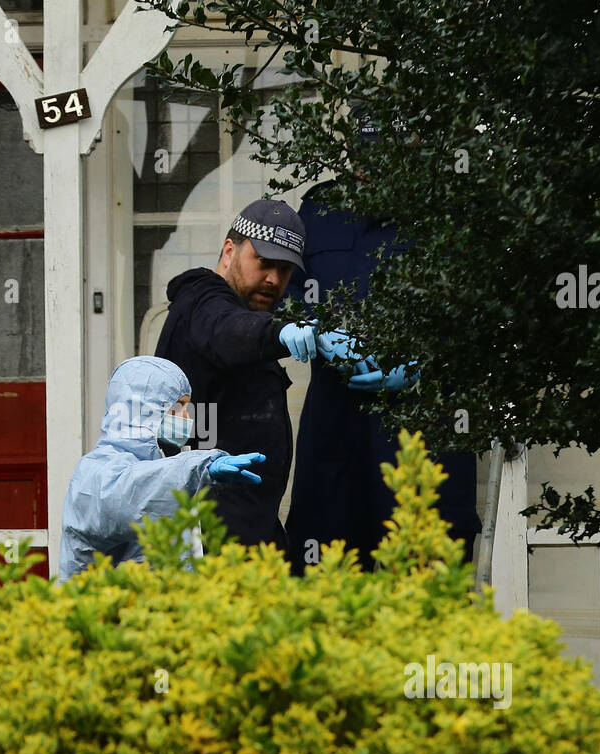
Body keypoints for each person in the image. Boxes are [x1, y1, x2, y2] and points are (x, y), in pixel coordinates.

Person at [284, 177, 482, 575]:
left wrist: (426, 366)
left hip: (424, 432)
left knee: (427, 576)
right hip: (335, 432)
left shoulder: (454, 205)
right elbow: (285, 287)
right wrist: (312, 328)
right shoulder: (320, 209)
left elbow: (489, 316)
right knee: (324, 576)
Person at [153, 199, 321, 555]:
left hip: (247, 530)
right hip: (207, 538)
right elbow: (228, 330)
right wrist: (280, 332)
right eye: (264, 262)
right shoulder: (203, 300)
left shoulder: (235, 308)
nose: (274, 279)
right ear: (230, 251)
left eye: (285, 270)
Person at [58, 356, 265, 583]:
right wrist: (200, 468)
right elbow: (131, 494)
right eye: (178, 407)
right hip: (105, 605)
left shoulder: (154, 464)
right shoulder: (95, 471)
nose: (187, 417)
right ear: (142, 409)